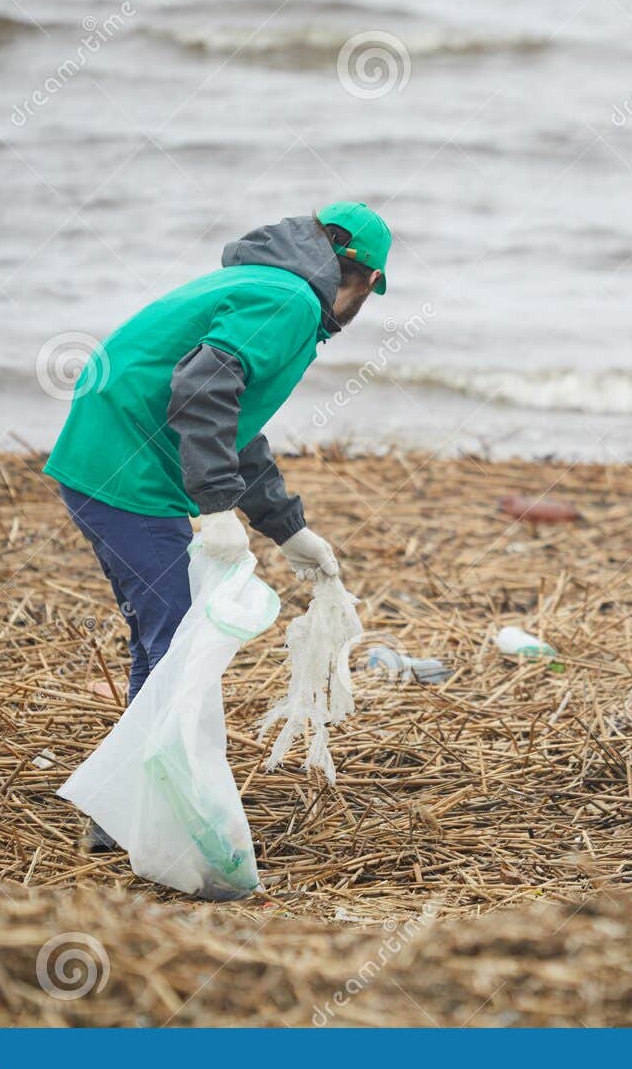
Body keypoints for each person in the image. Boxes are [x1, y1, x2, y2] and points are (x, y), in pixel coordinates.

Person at [45, 200, 391, 703]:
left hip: (106, 459)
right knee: (177, 645)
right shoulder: (289, 301)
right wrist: (217, 505)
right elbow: (203, 387)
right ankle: (151, 773)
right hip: (130, 472)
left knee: (162, 639)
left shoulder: (265, 284)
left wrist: (286, 528)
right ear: (369, 278)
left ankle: (140, 768)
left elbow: (231, 423)